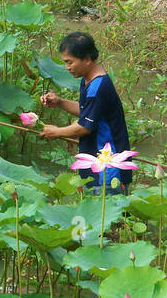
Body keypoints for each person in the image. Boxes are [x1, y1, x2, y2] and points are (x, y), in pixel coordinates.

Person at [38, 32, 132, 195]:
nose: (67, 67)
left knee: (108, 215)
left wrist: (56, 132)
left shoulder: (98, 86)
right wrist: (60, 102)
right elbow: (89, 112)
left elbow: (85, 127)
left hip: (108, 168)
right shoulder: (88, 79)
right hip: (94, 162)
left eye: (70, 62)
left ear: (87, 59)